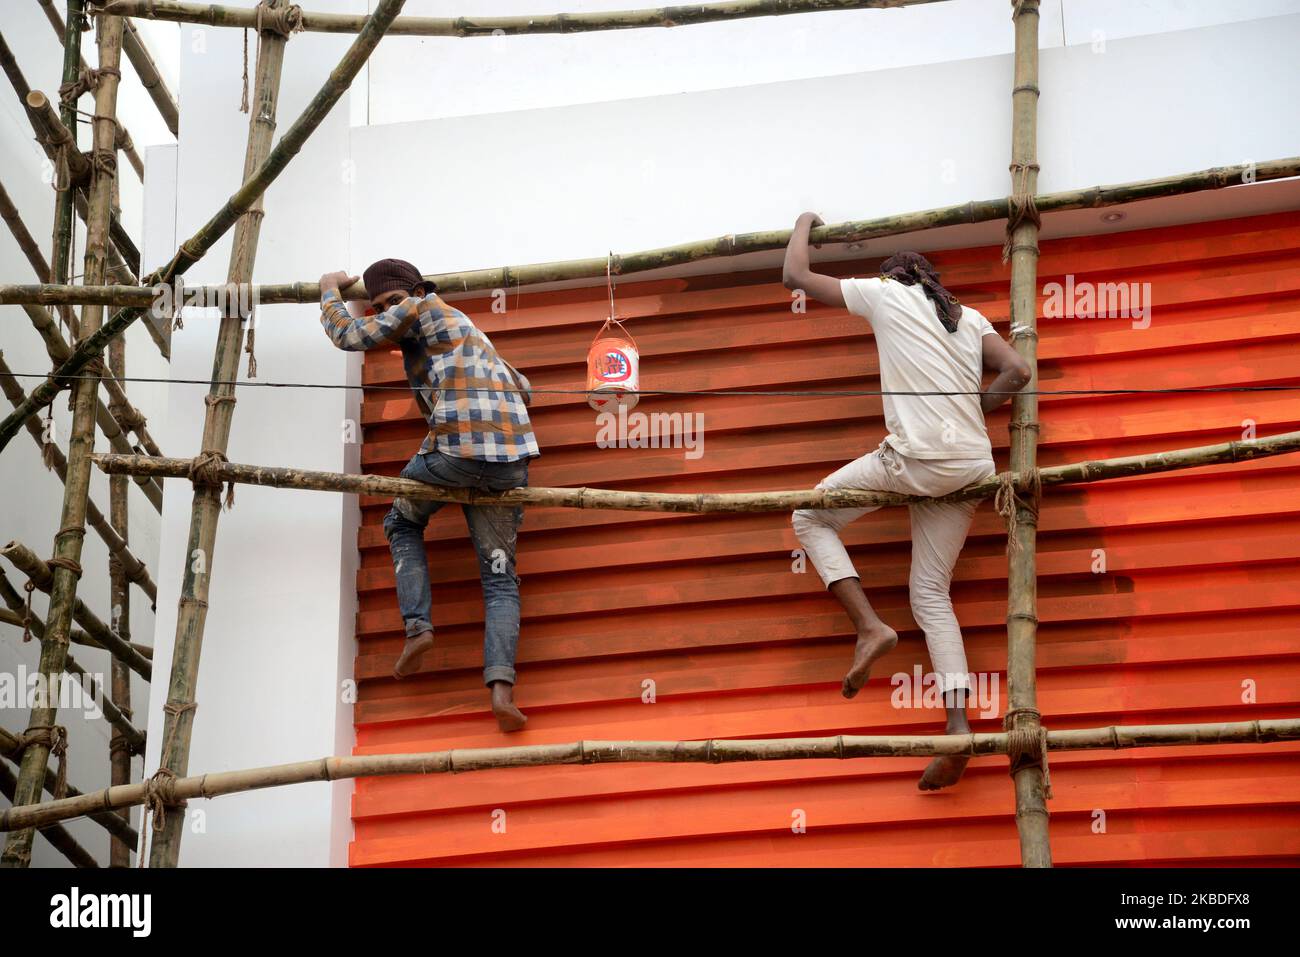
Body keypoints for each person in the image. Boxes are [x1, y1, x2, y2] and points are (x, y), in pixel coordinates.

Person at [782, 212, 1031, 790]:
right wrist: (972, 410)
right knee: (930, 595)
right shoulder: (968, 318)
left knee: (809, 516)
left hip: (916, 460)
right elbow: (1018, 371)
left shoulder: (884, 294)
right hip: (970, 467)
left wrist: (804, 219)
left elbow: (795, 275)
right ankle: (958, 730)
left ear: (893, 277)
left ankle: (870, 627)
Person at [318, 258, 540, 732]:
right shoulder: (466, 330)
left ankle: (417, 628)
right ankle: (501, 693)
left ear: (416, 291)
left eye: (392, 300)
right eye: (378, 306)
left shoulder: (419, 307)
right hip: (510, 465)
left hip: (457, 455)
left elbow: (348, 336)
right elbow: (525, 390)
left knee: (401, 520)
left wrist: (328, 289)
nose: (387, 312)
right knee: (500, 579)